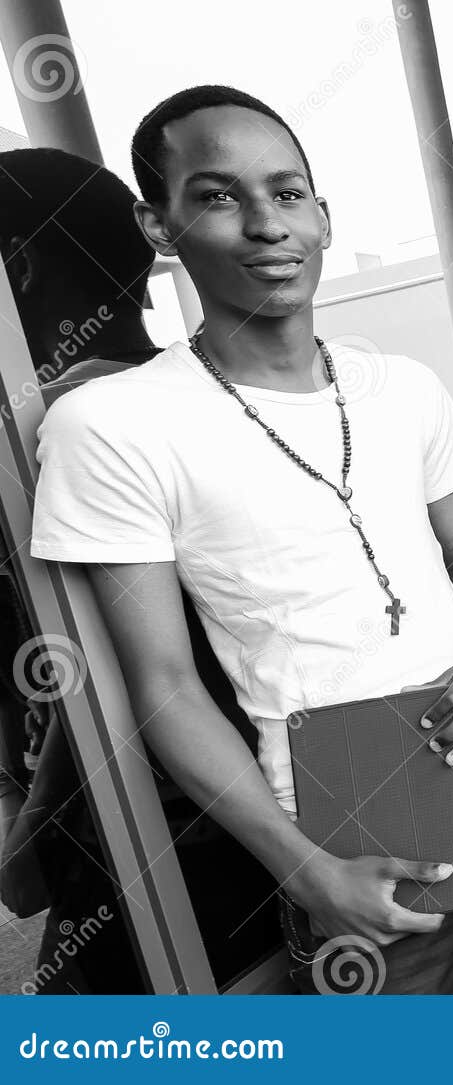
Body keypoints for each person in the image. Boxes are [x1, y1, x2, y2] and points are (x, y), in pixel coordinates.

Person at [28, 85, 453, 994]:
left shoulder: (403, 385)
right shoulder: (111, 425)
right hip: (350, 815)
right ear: (159, 223)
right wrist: (306, 871)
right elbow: (164, 686)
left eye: (288, 192)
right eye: (218, 196)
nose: (267, 224)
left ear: (323, 217)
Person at [0, 146, 283, 991]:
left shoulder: (57, 431)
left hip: (160, 833)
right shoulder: (228, 396)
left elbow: (98, 663)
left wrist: (33, 826)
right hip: (268, 807)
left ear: (19, 266)